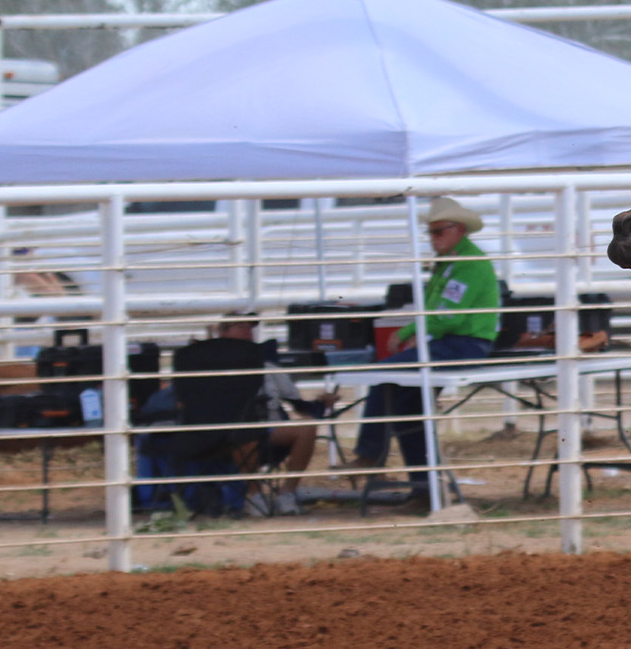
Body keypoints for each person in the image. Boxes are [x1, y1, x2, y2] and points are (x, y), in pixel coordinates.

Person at [349, 196, 502, 478]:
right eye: (431, 232)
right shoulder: (453, 261)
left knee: (386, 376)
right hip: (456, 343)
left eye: (438, 231)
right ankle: (422, 482)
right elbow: (440, 312)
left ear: (458, 230)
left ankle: (371, 454)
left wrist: (408, 332)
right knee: (409, 404)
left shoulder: (466, 263)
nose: (433, 238)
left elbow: (446, 314)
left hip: (462, 344)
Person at [213, 314, 330, 516]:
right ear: (222, 332)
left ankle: (287, 493)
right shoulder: (209, 366)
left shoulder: (266, 365)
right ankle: (254, 495)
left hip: (270, 429)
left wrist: (322, 403)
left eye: (249, 327)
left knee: (307, 426)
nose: (247, 331)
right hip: (226, 433)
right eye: (240, 326)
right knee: (243, 430)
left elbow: (300, 406)